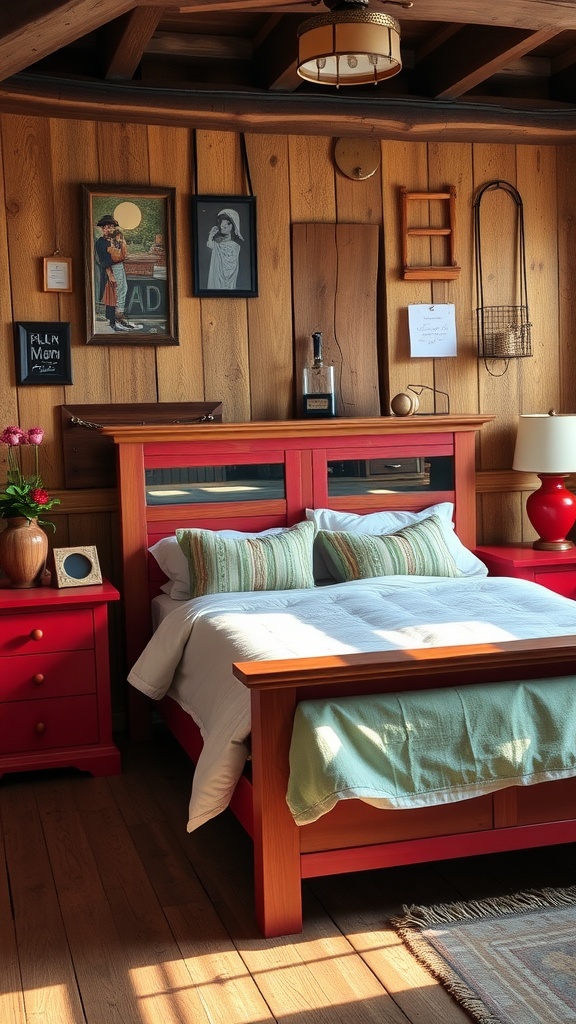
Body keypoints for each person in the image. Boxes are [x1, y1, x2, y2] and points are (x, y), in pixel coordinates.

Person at [94, 215, 139, 332]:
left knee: (123, 289)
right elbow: (102, 260)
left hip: (119, 267)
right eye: (107, 227)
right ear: (103, 229)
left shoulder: (116, 240)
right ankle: (113, 322)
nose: (110, 229)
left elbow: (122, 254)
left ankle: (120, 317)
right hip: (110, 269)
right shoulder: (101, 242)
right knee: (113, 294)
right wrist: (109, 273)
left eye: (112, 227)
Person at [206, 208, 243, 290]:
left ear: (233, 226)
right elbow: (211, 245)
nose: (223, 225)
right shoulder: (217, 244)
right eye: (221, 222)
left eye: (228, 223)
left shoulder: (235, 246)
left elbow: (230, 270)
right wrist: (211, 235)